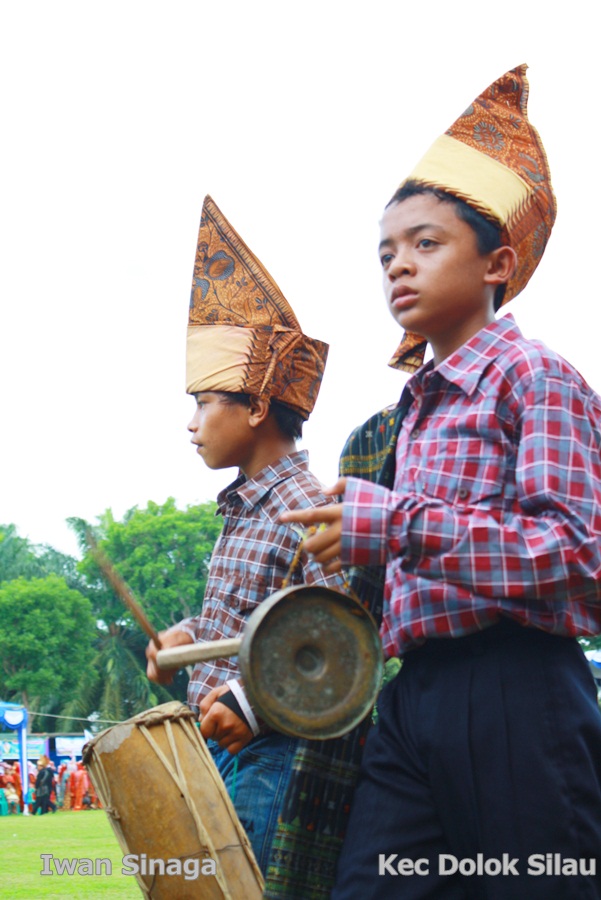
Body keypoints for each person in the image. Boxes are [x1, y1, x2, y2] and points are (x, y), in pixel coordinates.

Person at [281, 65, 601, 898]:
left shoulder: (536, 377)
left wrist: (398, 524)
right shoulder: (408, 413)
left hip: (517, 692)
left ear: (497, 262)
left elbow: (575, 557)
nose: (398, 266)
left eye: (426, 243)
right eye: (386, 251)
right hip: (412, 696)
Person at [146, 195, 346, 875]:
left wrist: (254, 707)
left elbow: (340, 641)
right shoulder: (242, 508)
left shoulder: (302, 506)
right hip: (221, 753)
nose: (193, 422)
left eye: (204, 403)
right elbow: (254, 621)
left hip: (273, 761)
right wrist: (184, 640)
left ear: (257, 405)